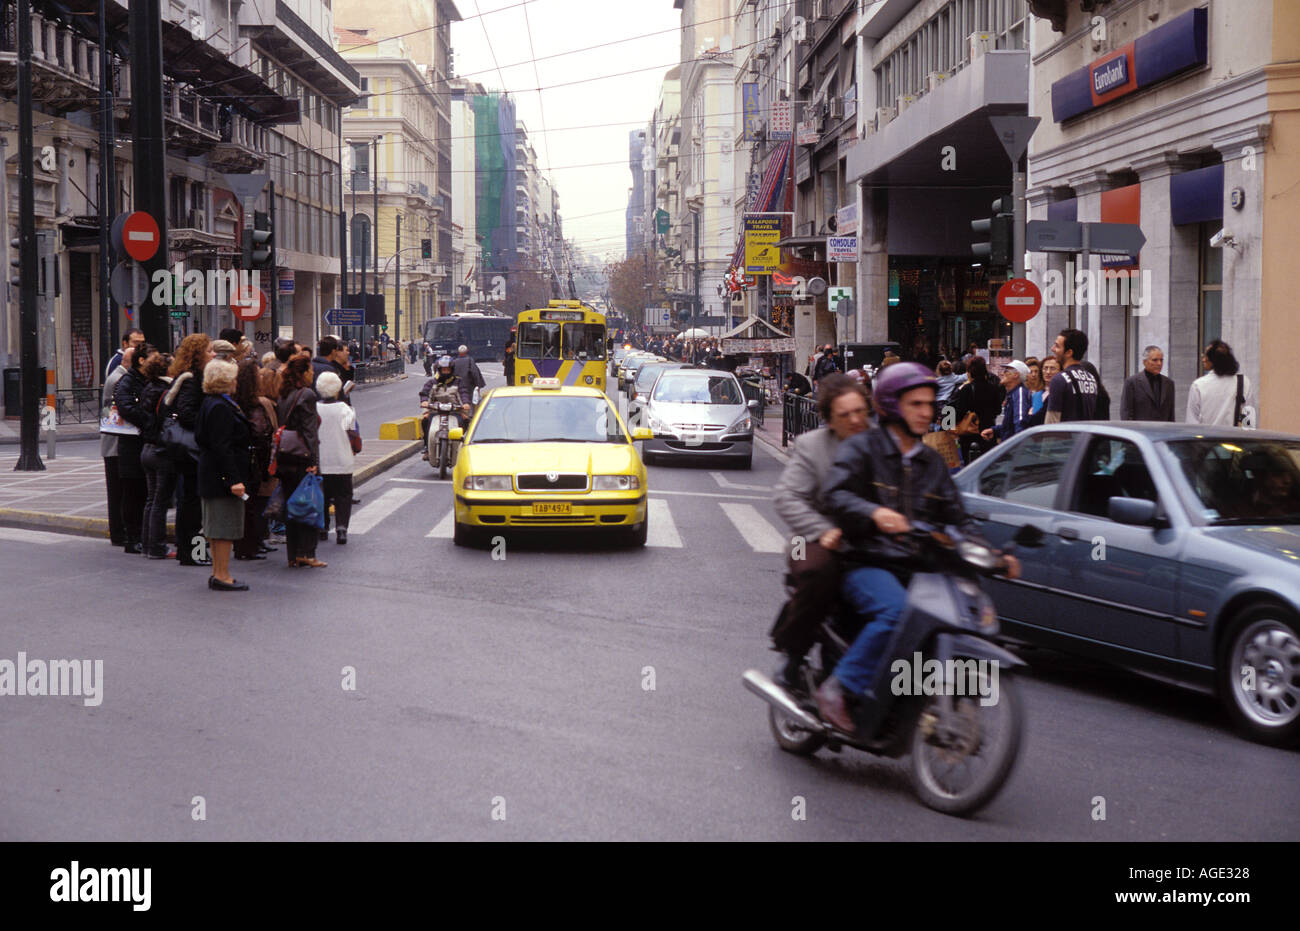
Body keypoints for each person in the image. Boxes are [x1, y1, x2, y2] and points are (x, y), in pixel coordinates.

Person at [816, 363, 1019, 733]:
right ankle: (839, 687)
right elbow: (835, 495)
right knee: (895, 612)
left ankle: (915, 698)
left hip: (920, 568)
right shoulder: (864, 447)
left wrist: (993, 555)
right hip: (866, 560)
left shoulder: (931, 462)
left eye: (929, 403)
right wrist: (875, 512)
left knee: (959, 616)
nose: (928, 412)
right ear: (892, 406)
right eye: (916, 404)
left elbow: (958, 518)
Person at [771, 375, 872, 688]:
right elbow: (787, 498)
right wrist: (823, 530)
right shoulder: (812, 446)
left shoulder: (881, 442)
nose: (855, 420)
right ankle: (793, 651)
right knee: (819, 572)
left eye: (860, 411)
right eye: (845, 415)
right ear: (829, 419)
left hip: (866, 537)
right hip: (811, 534)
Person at [195, 358, 251, 591]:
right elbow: (222, 446)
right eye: (233, 377)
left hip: (212, 474)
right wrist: (233, 479)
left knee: (216, 528)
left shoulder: (212, 402)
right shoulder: (220, 406)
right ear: (225, 380)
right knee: (224, 528)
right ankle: (223, 574)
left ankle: (218, 572)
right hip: (222, 477)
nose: (236, 381)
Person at [168, 334, 214, 567]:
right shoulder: (191, 380)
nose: (213, 354)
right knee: (192, 504)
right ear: (197, 355)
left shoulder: (193, 377)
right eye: (208, 350)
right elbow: (187, 414)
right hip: (191, 452)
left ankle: (190, 551)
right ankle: (192, 552)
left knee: (191, 502)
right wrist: (207, 425)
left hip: (191, 452)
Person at [275, 356, 326, 568]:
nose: (313, 374)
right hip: (302, 456)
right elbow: (310, 431)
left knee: (290, 505)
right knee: (307, 504)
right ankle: (307, 553)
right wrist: (314, 460)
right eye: (310, 370)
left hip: (285, 454)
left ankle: (293, 555)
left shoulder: (284, 394)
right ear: (303, 372)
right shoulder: (307, 394)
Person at [234, 358, 278, 562]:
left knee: (249, 505)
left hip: (246, 459)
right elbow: (261, 432)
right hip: (253, 461)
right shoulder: (257, 404)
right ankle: (249, 545)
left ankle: (251, 543)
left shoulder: (235, 401)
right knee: (254, 505)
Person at [137, 349, 176, 559]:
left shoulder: (148, 388)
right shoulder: (166, 390)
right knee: (160, 501)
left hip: (147, 448)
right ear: (166, 368)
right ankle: (157, 546)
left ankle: (147, 545)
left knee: (151, 499)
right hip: (161, 451)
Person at [315, 372, 356, 545]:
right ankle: (341, 528)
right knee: (343, 495)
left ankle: (323, 527)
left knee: (323, 494)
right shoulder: (345, 409)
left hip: (321, 458)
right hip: (342, 458)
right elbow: (352, 434)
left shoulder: (314, 408)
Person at [100, 346, 135, 548]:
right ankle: (118, 533)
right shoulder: (119, 379)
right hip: (115, 444)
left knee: (117, 492)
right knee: (117, 492)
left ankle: (119, 532)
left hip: (113, 442)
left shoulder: (119, 376)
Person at [1045, 328, 1108, 423]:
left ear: (1069, 352)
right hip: (1085, 435)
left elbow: (1052, 421)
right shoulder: (1090, 378)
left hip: (1066, 436)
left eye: (1057, 346)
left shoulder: (1059, 379)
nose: (1052, 349)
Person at [1188, 339, 1256, 427]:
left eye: (1206, 356)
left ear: (1213, 360)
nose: (1203, 359)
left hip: (1207, 439)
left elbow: (1192, 423)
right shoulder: (1243, 382)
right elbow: (1249, 424)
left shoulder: (1198, 386)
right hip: (1234, 439)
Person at [951, 355, 1002, 463]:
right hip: (989, 432)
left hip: (970, 434)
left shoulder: (966, 389)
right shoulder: (993, 388)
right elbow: (998, 410)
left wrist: (947, 425)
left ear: (969, 372)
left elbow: (958, 412)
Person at [419, 356, 468, 457]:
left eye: (448, 370)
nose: (445, 372)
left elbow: (464, 394)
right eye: (443, 370)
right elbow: (425, 393)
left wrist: (466, 404)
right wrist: (424, 402)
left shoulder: (458, 382)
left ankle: (464, 447)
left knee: (465, 421)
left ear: (452, 370)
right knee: (425, 421)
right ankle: (427, 447)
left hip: (455, 411)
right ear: (439, 370)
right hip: (436, 411)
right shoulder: (432, 382)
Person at [981, 360, 1034, 445]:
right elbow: (1010, 425)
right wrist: (995, 430)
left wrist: (1017, 447)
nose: (1002, 374)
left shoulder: (1020, 393)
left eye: (1006, 371)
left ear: (1016, 375)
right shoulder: (1013, 393)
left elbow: (1020, 422)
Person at [1120, 345, 1176, 421]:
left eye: (1161, 360)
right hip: (1140, 430)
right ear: (1145, 362)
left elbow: (1171, 415)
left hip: (1163, 430)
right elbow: (1126, 413)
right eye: (1155, 360)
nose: (1159, 363)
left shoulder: (1169, 384)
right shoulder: (1132, 383)